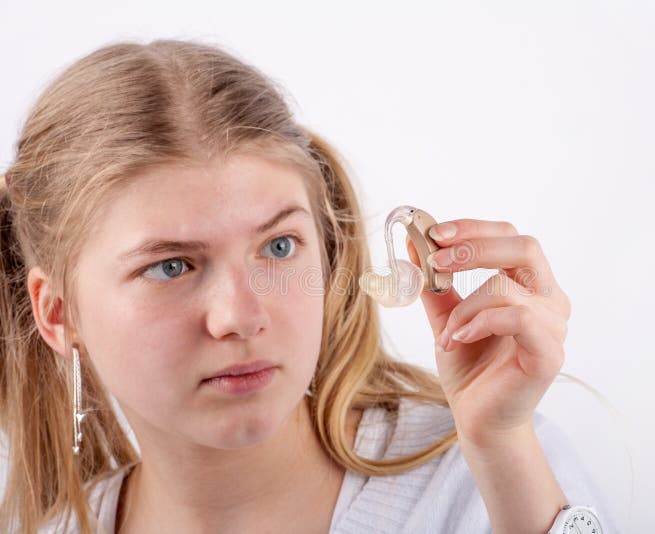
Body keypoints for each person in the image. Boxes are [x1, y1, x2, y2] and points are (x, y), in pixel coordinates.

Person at [0, 39, 618, 533]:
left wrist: (504, 452)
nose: (241, 317)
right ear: (59, 315)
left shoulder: (483, 471)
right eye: (172, 266)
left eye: (278, 246)